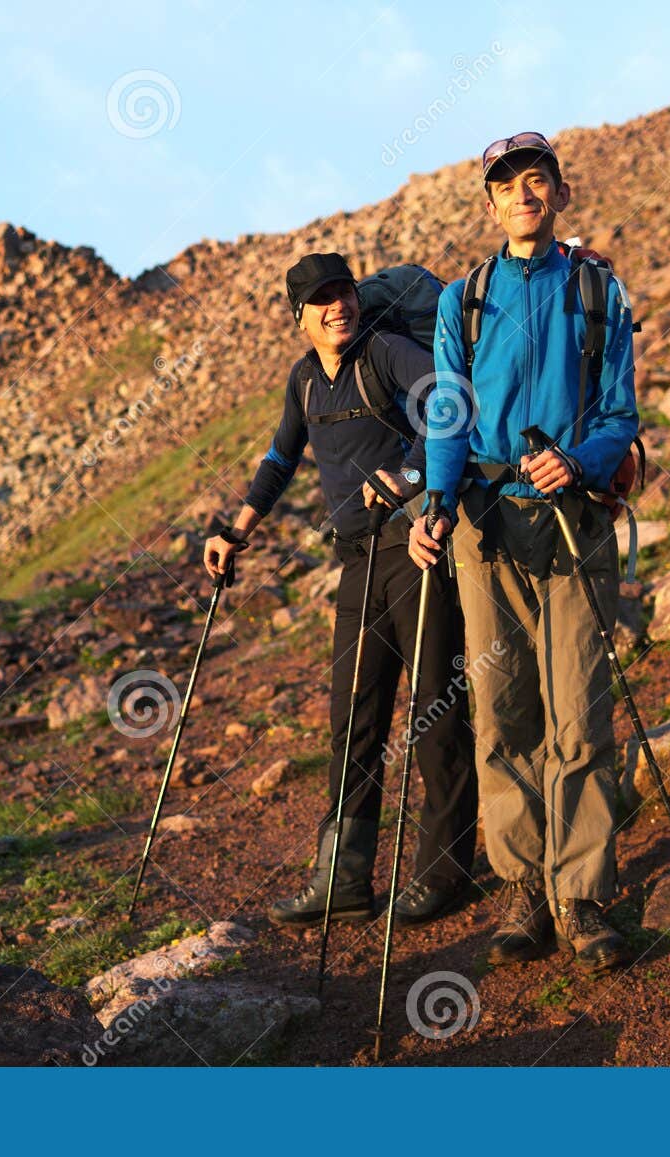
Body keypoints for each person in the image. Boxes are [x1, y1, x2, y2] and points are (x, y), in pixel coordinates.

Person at [409, 132, 639, 972]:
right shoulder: (463, 300)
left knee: (579, 710)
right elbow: (448, 411)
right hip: (486, 525)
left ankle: (580, 895)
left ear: (560, 195)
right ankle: (523, 887)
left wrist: (578, 461)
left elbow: (620, 412)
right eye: (507, 187)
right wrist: (437, 503)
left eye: (536, 181)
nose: (523, 196)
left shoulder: (598, 289)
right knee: (503, 712)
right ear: (491, 205)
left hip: (574, 521)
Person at [205, 252, 477, 928]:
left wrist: (407, 477)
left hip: (414, 549)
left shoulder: (383, 352)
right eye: (322, 300)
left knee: (436, 712)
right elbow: (280, 458)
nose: (338, 307)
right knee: (353, 720)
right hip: (357, 562)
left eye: (344, 293)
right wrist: (235, 531)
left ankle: (445, 871)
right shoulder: (305, 380)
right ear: (299, 316)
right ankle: (343, 879)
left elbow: (449, 401)